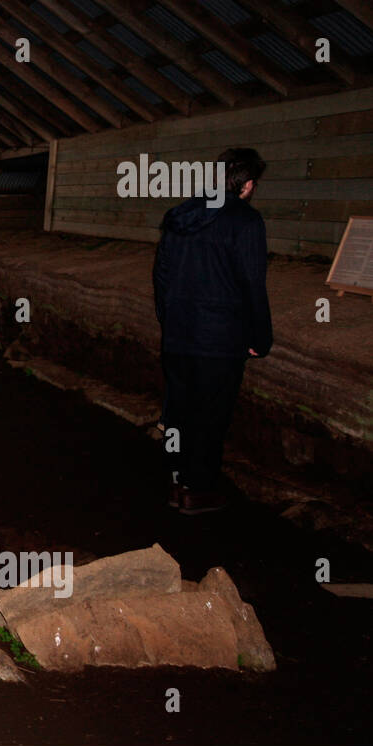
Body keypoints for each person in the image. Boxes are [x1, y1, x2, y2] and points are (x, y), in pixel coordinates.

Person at [152, 147, 272, 515]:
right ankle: (196, 490)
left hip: (178, 335)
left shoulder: (178, 216)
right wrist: (259, 338)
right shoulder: (246, 222)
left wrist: (169, 321)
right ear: (248, 185)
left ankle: (175, 479)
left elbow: (161, 276)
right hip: (219, 340)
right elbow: (252, 283)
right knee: (210, 415)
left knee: (179, 409)